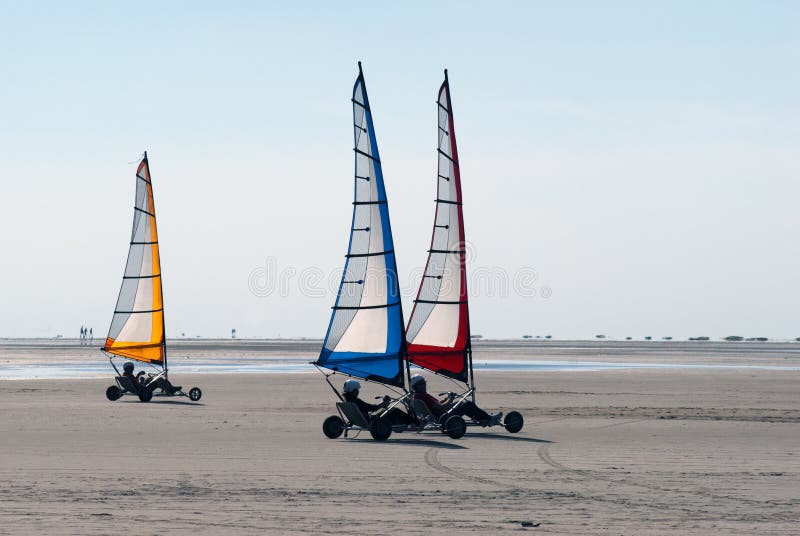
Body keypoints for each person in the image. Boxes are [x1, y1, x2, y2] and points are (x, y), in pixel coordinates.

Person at [410, 374, 502, 426]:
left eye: (424, 382)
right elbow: (441, 407)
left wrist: (446, 399)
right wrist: (450, 399)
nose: (425, 385)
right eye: (422, 383)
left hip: (440, 416)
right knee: (468, 404)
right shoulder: (422, 396)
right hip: (443, 418)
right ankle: (489, 419)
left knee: (460, 403)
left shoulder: (417, 396)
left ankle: (483, 419)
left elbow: (437, 405)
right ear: (416, 386)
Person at [342, 379, 412, 426]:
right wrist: (383, 403)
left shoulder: (347, 401)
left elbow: (368, 408)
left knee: (385, 410)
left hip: (359, 420)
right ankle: (410, 421)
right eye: (356, 390)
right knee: (393, 410)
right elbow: (372, 408)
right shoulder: (355, 401)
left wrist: (382, 404)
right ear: (353, 390)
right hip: (370, 421)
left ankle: (405, 422)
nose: (358, 391)